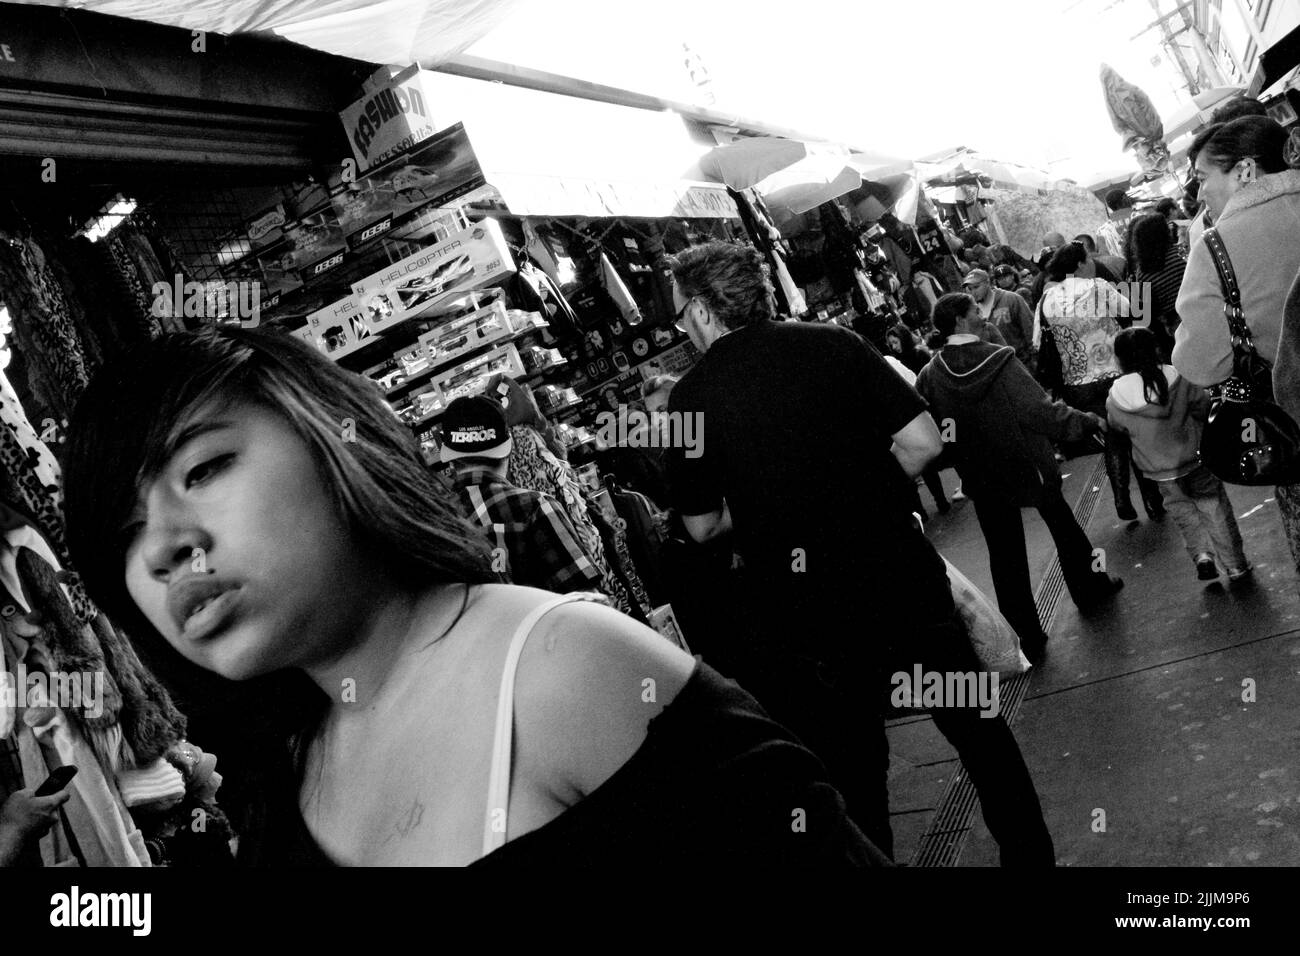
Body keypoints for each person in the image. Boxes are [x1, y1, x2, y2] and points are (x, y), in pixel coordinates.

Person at [60, 326, 886, 867]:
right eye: (126, 532)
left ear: (336, 438)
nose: (166, 545)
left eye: (202, 470)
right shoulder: (286, 765)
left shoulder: (564, 672)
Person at [665, 241, 1055, 866]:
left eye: (681, 313)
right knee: (979, 734)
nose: (681, 326)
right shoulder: (834, 344)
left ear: (705, 312)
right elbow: (923, 443)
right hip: (901, 579)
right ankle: (1032, 860)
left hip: (813, 617)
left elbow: (703, 524)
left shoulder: (690, 399)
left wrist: (769, 497)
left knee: (855, 772)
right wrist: (863, 483)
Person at [917, 293, 1121, 661]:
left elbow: (936, 431)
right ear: (962, 321)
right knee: (1064, 528)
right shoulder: (999, 360)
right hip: (1028, 465)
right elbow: (1039, 411)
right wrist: (1087, 422)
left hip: (981, 475)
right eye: (974, 311)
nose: (981, 316)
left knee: (1005, 554)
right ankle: (1091, 587)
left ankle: (1026, 633)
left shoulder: (930, 376)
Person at [1172, 116, 1300, 576]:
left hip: (1291, 428)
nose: (1199, 192)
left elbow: (1202, 363)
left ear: (1244, 170)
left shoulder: (1217, 244)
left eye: (1204, 177)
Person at [1107, 328, 1250, 582]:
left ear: (1120, 359)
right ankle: (1235, 565)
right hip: (1196, 459)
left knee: (1184, 513)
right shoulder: (1177, 378)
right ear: (1156, 350)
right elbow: (1203, 405)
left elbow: (1117, 426)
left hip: (1159, 471)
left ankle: (1202, 556)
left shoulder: (1117, 397)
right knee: (1213, 507)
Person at [1039, 242, 1163, 521]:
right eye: (1089, 259)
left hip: (1077, 383)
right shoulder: (1096, 286)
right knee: (1133, 432)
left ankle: (1121, 497)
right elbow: (1132, 310)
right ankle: (1152, 500)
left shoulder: (1046, 299)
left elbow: (1041, 342)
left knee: (1111, 436)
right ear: (1081, 264)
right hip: (1114, 372)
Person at [441, 395, 604, 595]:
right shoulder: (536, 507)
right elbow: (586, 599)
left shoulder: (435, 524)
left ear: (450, 459)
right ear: (508, 448)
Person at [963, 267, 1037, 372]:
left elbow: (1030, 329)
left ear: (987, 283)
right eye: (970, 289)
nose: (973, 292)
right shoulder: (972, 311)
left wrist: (1036, 359)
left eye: (976, 287)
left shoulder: (1011, 298)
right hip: (997, 369)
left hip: (1023, 362)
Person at [1097, 188, 1134, 260]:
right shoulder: (1139, 217)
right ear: (1124, 200)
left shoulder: (1101, 231)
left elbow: (1104, 257)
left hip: (1123, 269)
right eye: (1127, 197)